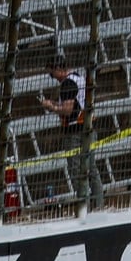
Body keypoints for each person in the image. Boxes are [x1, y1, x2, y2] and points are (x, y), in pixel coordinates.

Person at [40, 55, 103, 209]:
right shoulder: (78, 78)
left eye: (52, 73)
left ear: (58, 69)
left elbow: (68, 110)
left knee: (76, 170)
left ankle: (84, 206)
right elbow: (75, 105)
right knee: (91, 167)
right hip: (88, 126)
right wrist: (56, 103)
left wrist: (51, 107)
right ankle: (99, 204)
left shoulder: (67, 83)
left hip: (75, 130)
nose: (52, 77)